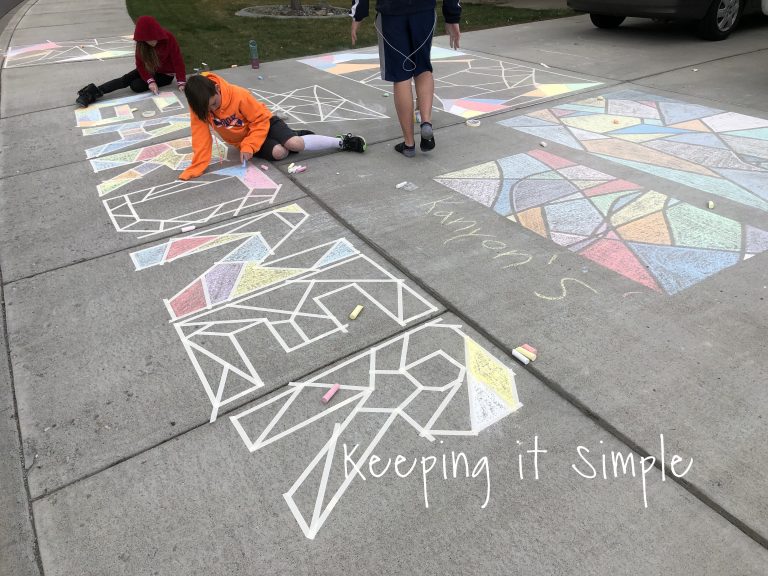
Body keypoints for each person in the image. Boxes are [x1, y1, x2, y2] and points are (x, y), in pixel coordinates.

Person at [179, 73, 366, 180]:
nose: (214, 109)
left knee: (295, 144)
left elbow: (260, 121)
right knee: (279, 153)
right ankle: (291, 136)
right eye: (208, 108)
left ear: (217, 89)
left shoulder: (239, 95)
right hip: (245, 139)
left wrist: (249, 146)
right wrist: (197, 166)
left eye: (214, 103)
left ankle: (342, 141)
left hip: (265, 124)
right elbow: (200, 136)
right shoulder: (199, 106)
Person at [350, 0, 461, 158]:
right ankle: (426, 122)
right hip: (424, 11)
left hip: (391, 13)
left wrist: (358, 15)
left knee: (401, 75)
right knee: (423, 68)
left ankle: (409, 144)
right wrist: (452, 16)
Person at [75, 16, 186, 107]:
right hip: (151, 68)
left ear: (158, 34)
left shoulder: (168, 38)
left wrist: (181, 81)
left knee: (135, 86)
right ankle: (91, 93)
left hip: (165, 75)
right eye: (147, 40)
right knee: (125, 79)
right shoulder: (142, 45)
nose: (151, 42)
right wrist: (150, 81)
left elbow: (178, 60)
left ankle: (144, 81)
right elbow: (140, 65)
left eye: (153, 38)